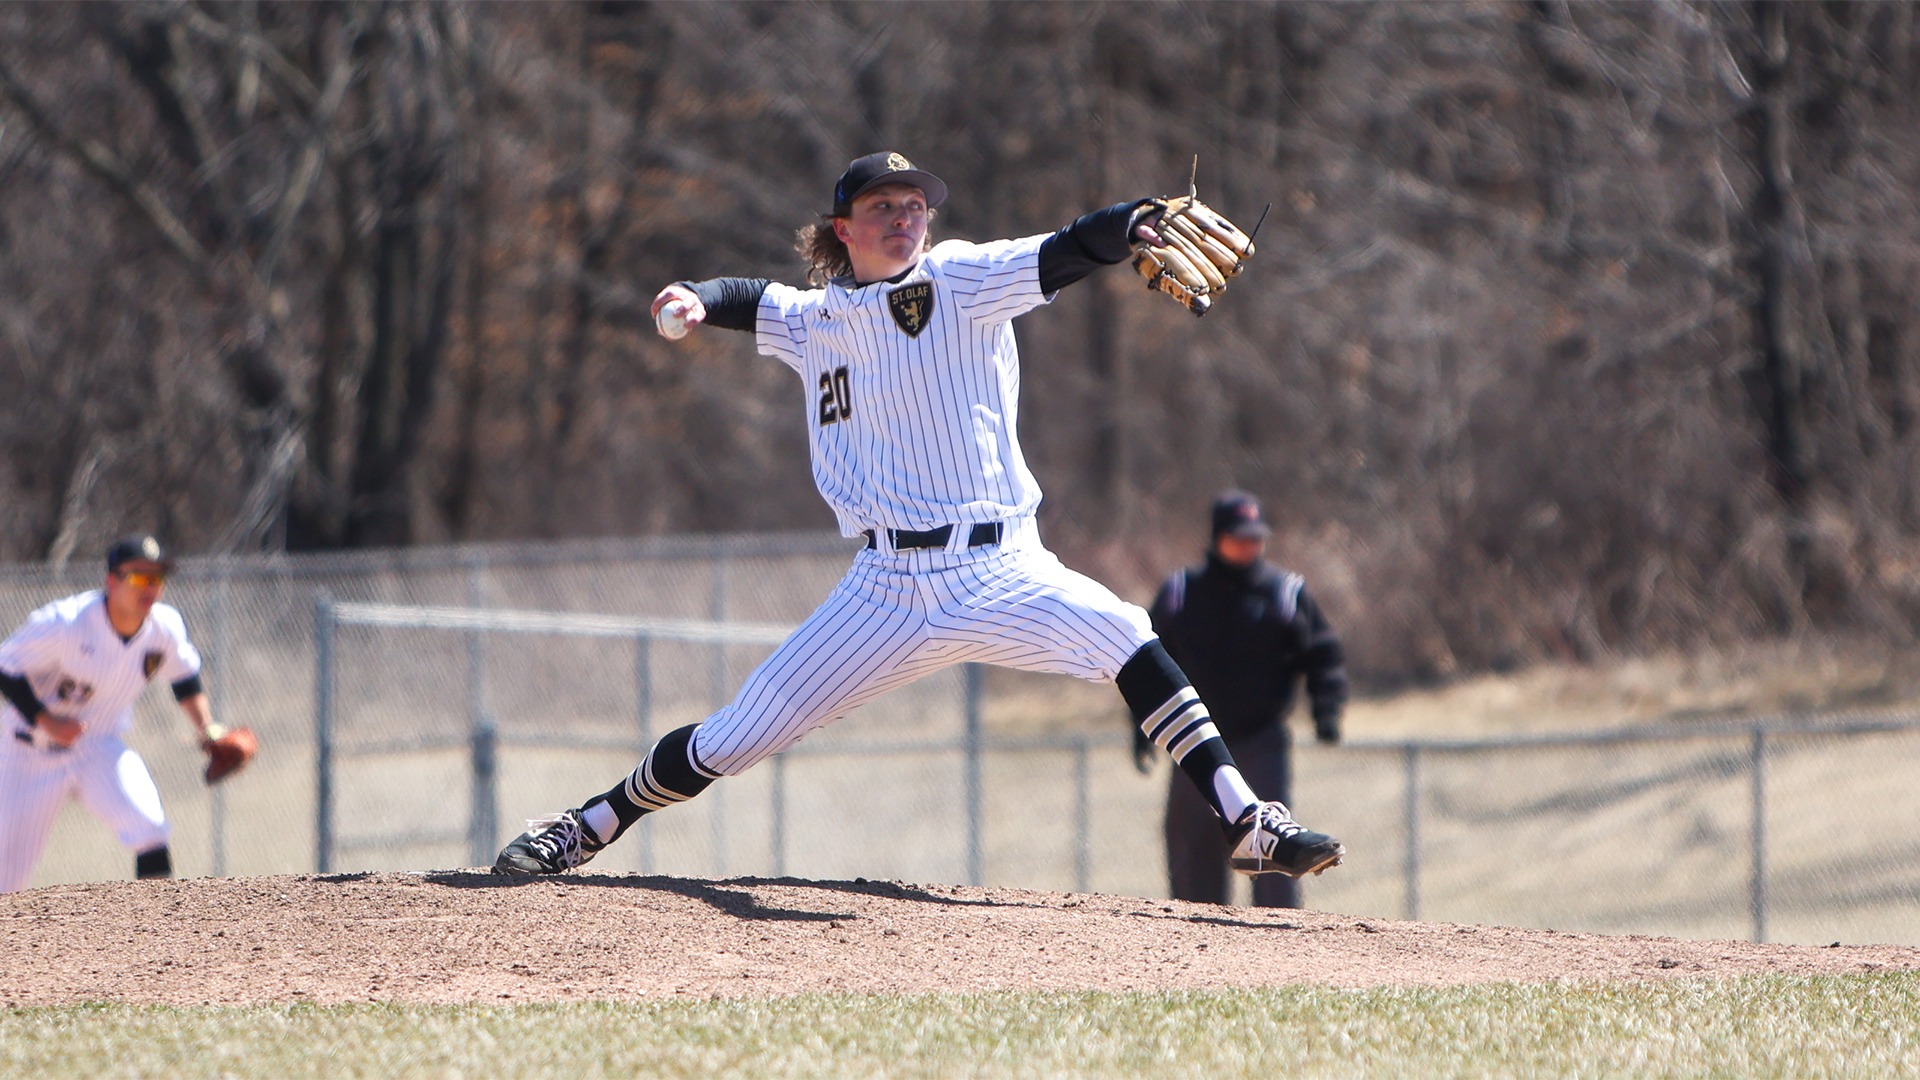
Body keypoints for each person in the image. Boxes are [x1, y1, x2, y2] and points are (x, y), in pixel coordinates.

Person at [495, 152, 1345, 885]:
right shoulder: (814, 318)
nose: (905, 217)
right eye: (882, 207)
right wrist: (688, 296)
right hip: (886, 589)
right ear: (843, 229)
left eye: (914, 206)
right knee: (734, 736)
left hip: (1002, 567)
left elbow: (1061, 251)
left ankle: (1251, 821)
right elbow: (747, 297)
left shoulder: (962, 280)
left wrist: (1128, 225)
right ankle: (586, 827)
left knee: (1128, 638)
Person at [1147, 491, 1350, 908]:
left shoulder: (1284, 592)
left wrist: (1326, 709)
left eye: (1255, 537)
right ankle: (1195, 943)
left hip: (1261, 740)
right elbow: (1149, 664)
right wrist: (1140, 728)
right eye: (1238, 537)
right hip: (1194, 742)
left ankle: (1279, 944)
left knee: (1276, 849)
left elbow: (1322, 653)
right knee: (1192, 854)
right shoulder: (1182, 593)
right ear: (1218, 537)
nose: (1248, 546)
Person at [0, 536, 226, 892]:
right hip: (29, 748)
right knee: (6, 879)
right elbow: (5, 664)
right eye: (138, 576)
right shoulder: (66, 622)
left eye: (157, 577)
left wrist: (207, 730)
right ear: (111, 580)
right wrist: (46, 719)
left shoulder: (164, 627)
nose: (149, 587)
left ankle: (156, 929)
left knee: (150, 828)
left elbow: (184, 678)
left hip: (98, 745)